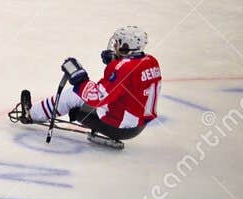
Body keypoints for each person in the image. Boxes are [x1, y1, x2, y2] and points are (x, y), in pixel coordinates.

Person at [11, 26, 160, 145]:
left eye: (119, 43)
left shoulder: (123, 69)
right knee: (84, 93)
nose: (115, 46)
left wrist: (79, 78)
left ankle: (31, 114)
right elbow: (131, 82)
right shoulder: (151, 61)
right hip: (138, 125)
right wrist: (115, 61)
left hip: (119, 127)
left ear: (127, 46)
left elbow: (97, 98)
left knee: (74, 95)